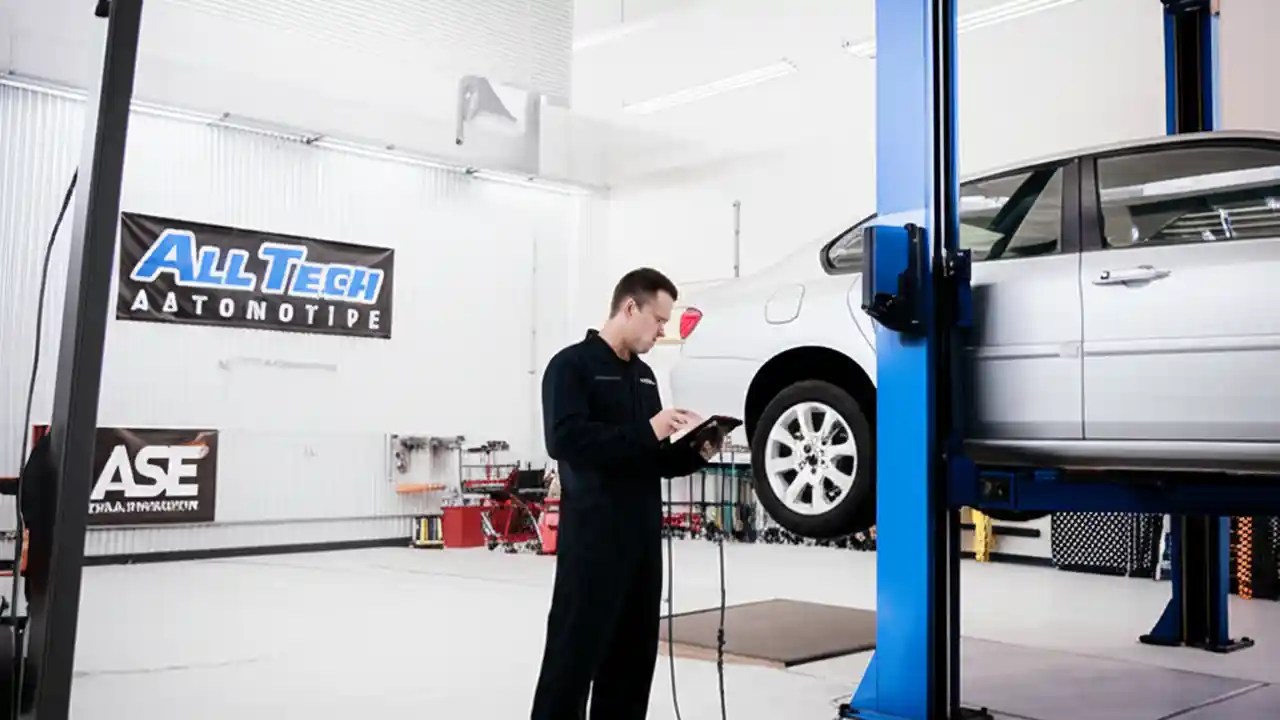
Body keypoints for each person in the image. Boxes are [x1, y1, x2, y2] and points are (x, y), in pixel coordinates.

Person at [530, 268, 719, 720]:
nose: (662, 331)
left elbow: (648, 456)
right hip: (592, 546)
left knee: (632, 668)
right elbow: (566, 441)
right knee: (571, 665)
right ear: (629, 307)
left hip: (641, 547)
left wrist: (698, 451)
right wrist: (646, 431)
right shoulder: (571, 366)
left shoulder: (647, 377)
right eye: (658, 320)